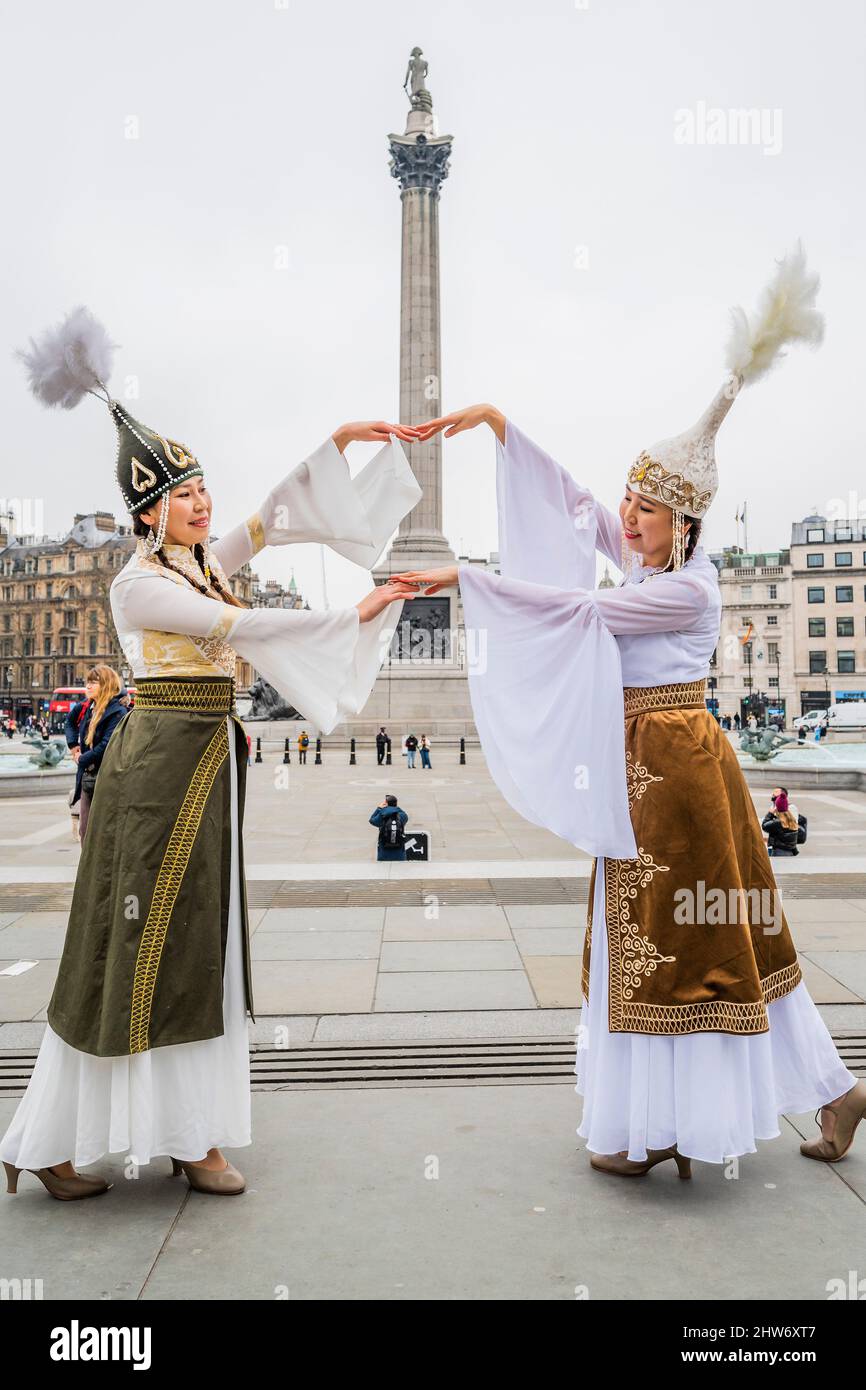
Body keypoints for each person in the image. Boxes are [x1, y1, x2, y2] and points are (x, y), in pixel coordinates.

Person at [394, 248, 866, 1175]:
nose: (628, 517)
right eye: (633, 503)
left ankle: (666, 1128)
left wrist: (465, 577)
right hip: (650, 766)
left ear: (682, 523)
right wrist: (502, 427)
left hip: (676, 771)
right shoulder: (655, 560)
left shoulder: (684, 592)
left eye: (645, 509)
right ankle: (831, 1093)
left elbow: (578, 607)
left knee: (679, 946)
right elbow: (577, 510)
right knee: (717, 938)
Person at [2, 305, 421, 1202]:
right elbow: (236, 624)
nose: (205, 503)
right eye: (188, 493)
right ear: (151, 509)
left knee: (199, 947)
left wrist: (336, 445)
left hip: (201, 766)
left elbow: (268, 520)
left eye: (203, 488)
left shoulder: (197, 562)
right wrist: (350, 617)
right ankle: (79, 1139)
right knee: (144, 949)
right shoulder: (143, 583)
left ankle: (184, 1133)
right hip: (157, 775)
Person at [69, 666, 128, 842]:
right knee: (85, 831)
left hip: (106, 778)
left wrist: (82, 758)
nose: (88, 686)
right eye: (88, 682)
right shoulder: (89, 707)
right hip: (89, 777)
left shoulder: (117, 711)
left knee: (103, 833)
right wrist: (73, 746)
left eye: (93, 682)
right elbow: (70, 722)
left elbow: (106, 745)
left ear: (106, 685)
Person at [370, 794, 408, 860]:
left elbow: (372, 820)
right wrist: (396, 807)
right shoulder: (402, 815)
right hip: (399, 851)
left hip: (384, 850)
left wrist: (379, 808)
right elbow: (405, 817)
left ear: (386, 803)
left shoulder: (382, 814)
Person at [762, 792, 800, 857]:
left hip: (779, 852)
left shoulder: (778, 823)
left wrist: (770, 813)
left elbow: (764, 826)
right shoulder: (792, 820)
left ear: (777, 808)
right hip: (790, 851)